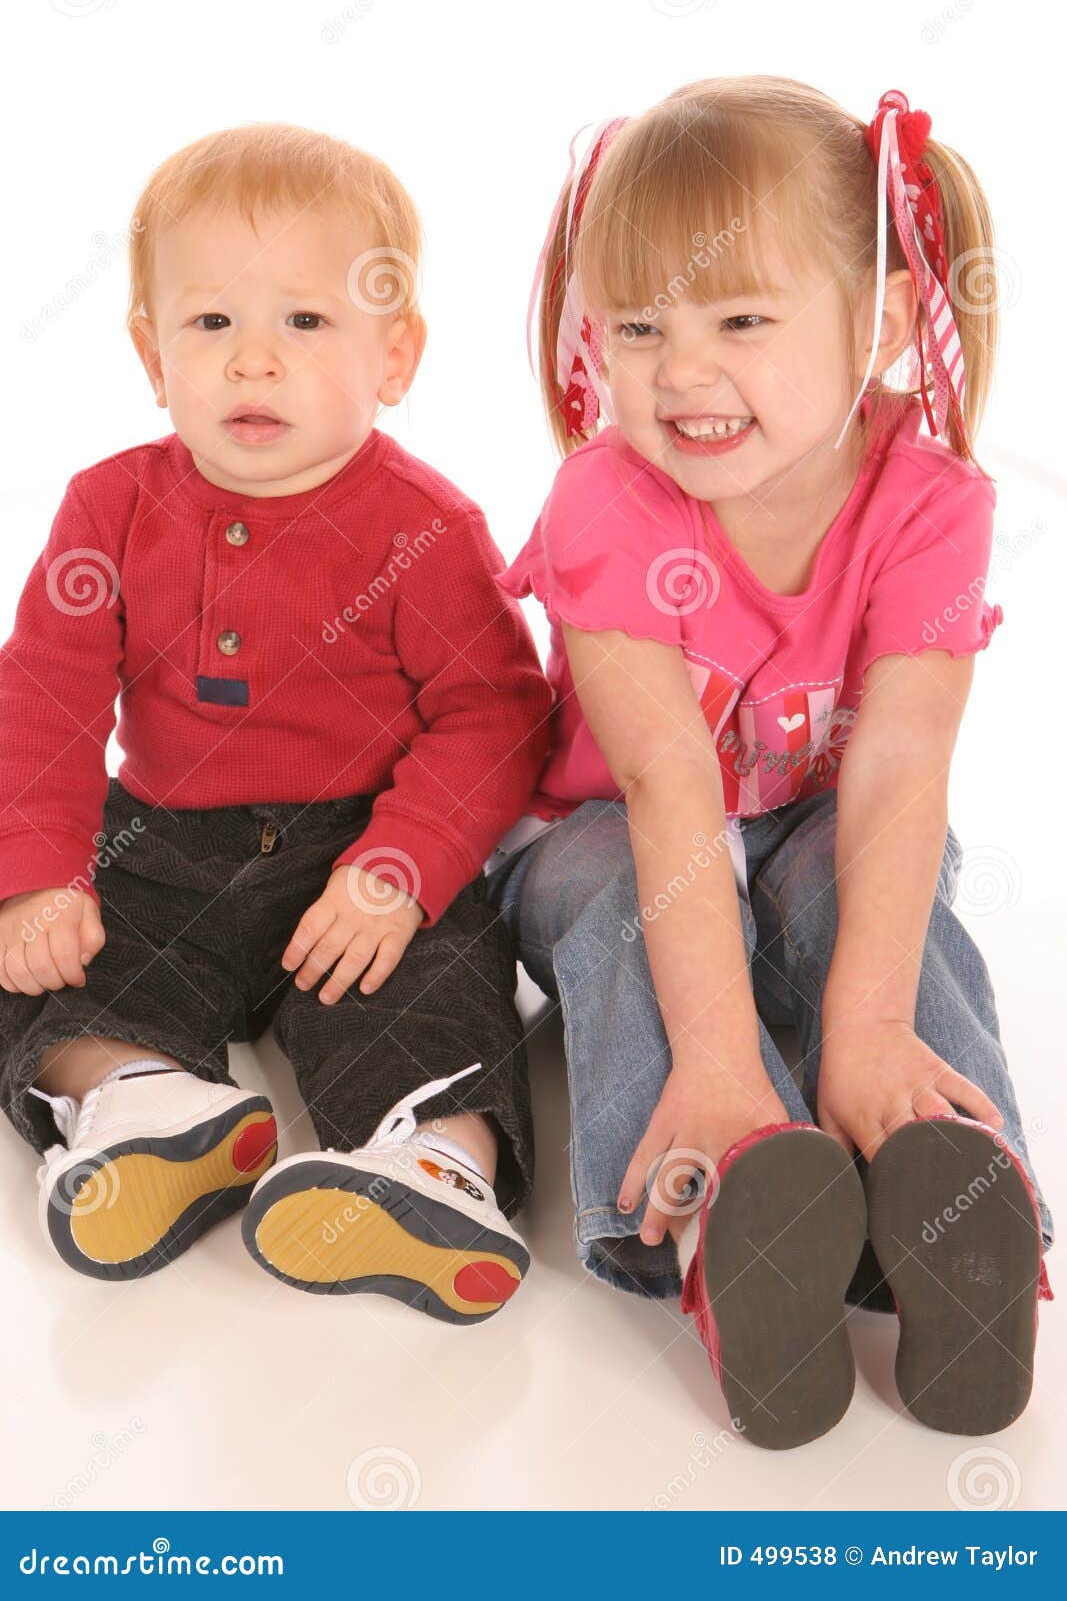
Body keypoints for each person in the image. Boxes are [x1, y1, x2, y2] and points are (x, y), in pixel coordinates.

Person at [487, 78, 1053, 1440]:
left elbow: (899, 770)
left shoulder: (928, 499)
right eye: (637, 327)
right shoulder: (608, 503)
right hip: (609, 829)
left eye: (739, 320)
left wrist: (861, 1029)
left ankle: (949, 1179)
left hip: (807, 818)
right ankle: (723, 1193)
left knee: (871, 912)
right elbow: (666, 787)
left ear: (879, 315)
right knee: (628, 908)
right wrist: (725, 1061)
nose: (679, 371)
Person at [0, 122, 551, 1326]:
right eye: (211, 325)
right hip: (160, 847)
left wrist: (398, 870)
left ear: (393, 354)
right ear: (152, 353)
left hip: (356, 851)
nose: (253, 363)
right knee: (39, 957)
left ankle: (435, 1167)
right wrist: (39, 877)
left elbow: (497, 717)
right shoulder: (109, 504)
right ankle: (143, 1100)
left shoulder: (424, 525)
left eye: (304, 323)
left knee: (439, 978)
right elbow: (41, 698)